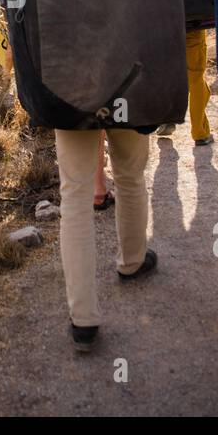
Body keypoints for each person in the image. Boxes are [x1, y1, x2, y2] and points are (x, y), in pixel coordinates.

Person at [55, 125, 158, 352]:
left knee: (74, 196)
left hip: (72, 96)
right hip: (128, 92)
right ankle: (132, 261)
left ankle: (84, 321)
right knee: (130, 176)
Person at [154, 25, 213, 146]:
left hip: (166, 27)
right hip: (193, 25)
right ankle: (199, 133)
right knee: (196, 80)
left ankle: (168, 119)